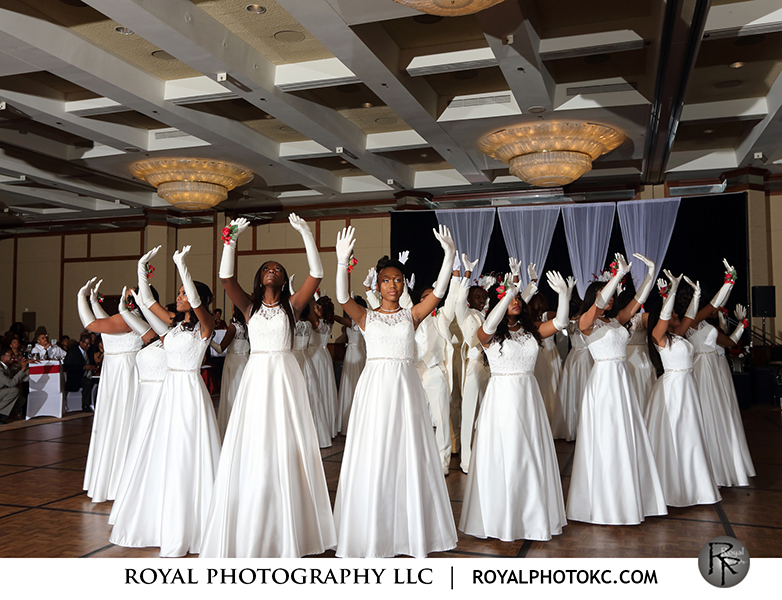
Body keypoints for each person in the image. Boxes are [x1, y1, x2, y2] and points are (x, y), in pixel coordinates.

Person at [201, 214, 336, 558]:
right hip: (257, 374)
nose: (272, 271)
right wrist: (231, 239)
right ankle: (254, 509)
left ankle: (291, 514)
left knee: (287, 441)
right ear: (260, 279)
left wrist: (307, 233)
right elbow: (225, 277)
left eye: (277, 268)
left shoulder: (293, 308)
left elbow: (316, 274)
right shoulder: (248, 307)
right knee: (256, 442)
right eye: (267, 269)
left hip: (286, 376)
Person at [332, 224, 458, 558]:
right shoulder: (366, 317)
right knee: (375, 453)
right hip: (375, 390)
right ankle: (372, 527)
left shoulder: (411, 315)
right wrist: (342, 262)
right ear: (378, 284)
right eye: (387, 279)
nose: (393, 284)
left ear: (404, 284)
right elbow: (343, 298)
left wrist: (449, 256)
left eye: (398, 280)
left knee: (409, 452)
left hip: (405, 389)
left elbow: (439, 293)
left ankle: (409, 527)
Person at [110, 245, 221, 557]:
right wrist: (141, 268)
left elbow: (198, 303)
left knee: (186, 453)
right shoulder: (171, 326)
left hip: (188, 391)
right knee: (161, 452)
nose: (181, 296)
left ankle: (190, 525)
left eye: (184, 292)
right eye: (180, 292)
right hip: (168, 391)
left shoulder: (206, 326)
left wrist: (182, 264)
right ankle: (159, 519)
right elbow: (146, 302)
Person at [460, 267, 572, 542]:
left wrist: (564, 296)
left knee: (529, 456)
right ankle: (502, 518)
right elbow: (487, 326)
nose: (516, 302)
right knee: (505, 455)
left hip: (528, 397)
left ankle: (531, 516)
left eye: (518, 300)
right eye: (511, 299)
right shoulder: (488, 334)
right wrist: (510, 291)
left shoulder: (530, 332)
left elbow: (560, 324)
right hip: (502, 399)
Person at [567, 253, 667, 525]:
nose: (611, 299)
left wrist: (650, 275)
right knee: (607, 438)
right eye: (605, 295)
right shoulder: (585, 323)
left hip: (622, 381)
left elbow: (638, 303)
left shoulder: (615, 320)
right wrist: (617, 276)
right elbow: (599, 303)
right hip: (604, 384)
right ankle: (606, 502)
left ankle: (631, 496)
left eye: (612, 294)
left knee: (627, 437)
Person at [644, 271, 721, 507]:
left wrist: (697, 294)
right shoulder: (659, 337)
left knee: (692, 435)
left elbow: (695, 313)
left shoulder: (679, 335)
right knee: (675, 434)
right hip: (673, 389)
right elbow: (666, 316)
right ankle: (672, 487)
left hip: (688, 387)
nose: (676, 315)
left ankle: (696, 485)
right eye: (671, 314)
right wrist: (671, 293)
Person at [675, 263, 755, 487]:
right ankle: (710, 467)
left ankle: (725, 464)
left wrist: (730, 284)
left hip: (715, 370)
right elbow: (713, 306)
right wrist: (729, 281)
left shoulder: (701, 323)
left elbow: (727, 336)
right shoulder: (688, 323)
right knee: (707, 416)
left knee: (720, 415)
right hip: (703, 371)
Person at [76, 279, 154, 504]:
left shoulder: (131, 319)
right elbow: (103, 320)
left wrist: (81, 298)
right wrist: (93, 301)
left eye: (129, 297)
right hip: (114, 372)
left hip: (124, 373)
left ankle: (118, 480)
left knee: (121, 421)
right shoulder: (123, 317)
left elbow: (92, 325)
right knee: (112, 423)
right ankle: (109, 479)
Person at [555, 279, 591, 441]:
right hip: (585, 357)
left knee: (573, 390)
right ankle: (585, 426)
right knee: (584, 390)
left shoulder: (569, 322)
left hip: (573, 357)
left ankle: (573, 425)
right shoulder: (586, 321)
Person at [211, 305, 250, 439]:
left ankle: (232, 429)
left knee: (232, 393)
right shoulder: (248, 326)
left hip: (233, 362)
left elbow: (220, 348)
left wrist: (208, 340)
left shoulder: (234, 327)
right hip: (245, 360)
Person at [334, 296, 367, 435]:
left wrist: (330, 313)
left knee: (353, 384)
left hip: (355, 352)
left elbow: (340, 319)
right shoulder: (358, 322)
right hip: (355, 351)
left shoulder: (355, 322)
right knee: (352, 384)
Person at [64, 333, 97, 412]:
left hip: (88, 375)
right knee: (87, 383)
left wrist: (93, 367)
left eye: (89, 344)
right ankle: (86, 405)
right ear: (81, 343)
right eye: (86, 344)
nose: (88, 346)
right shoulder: (73, 352)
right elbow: (69, 367)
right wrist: (83, 367)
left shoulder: (90, 351)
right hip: (76, 377)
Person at [0, 345, 29, 424]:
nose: (13, 357)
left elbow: (18, 373)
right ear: (2, 357)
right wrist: (22, 369)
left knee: (21, 400)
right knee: (14, 390)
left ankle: (5, 415)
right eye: (10, 355)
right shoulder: (0, 369)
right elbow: (11, 383)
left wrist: (28, 365)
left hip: (3, 392)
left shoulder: (7, 367)